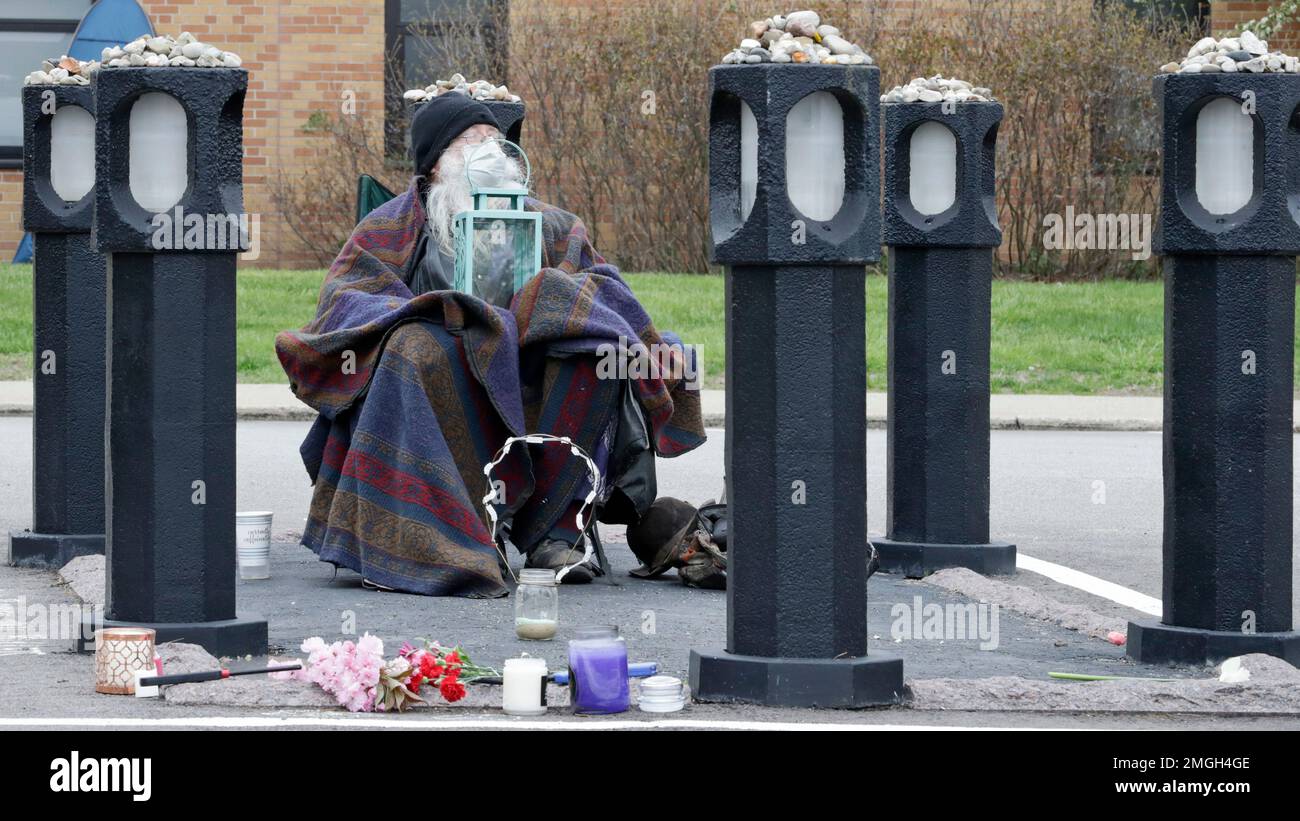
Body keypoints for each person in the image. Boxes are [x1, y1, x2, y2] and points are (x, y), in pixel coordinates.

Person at [276, 93, 704, 597]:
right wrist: (435, 314)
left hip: (539, 371)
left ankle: (557, 535)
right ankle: (440, 536)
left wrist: (555, 307)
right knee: (413, 350)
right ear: (434, 164)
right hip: (449, 372)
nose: (487, 152)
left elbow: (606, 295)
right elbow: (348, 302)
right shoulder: (390, 228)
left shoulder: (556, 224)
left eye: (493, 141)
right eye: (468, 142)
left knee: (593, 348)